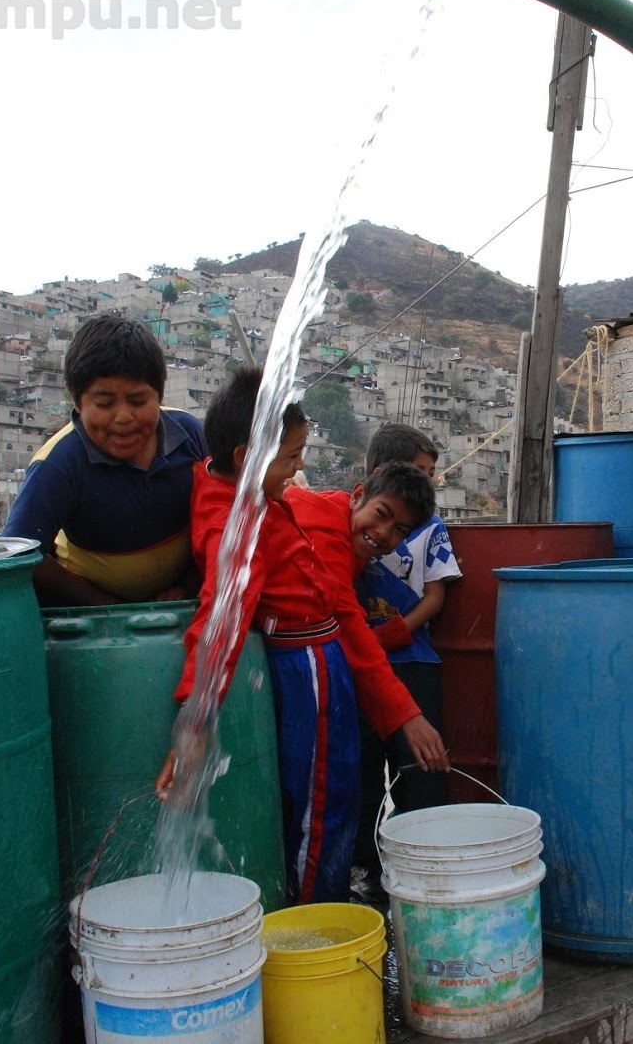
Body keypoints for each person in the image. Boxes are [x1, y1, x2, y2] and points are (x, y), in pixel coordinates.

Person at [154, 365, 447, 903]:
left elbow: (344, 616)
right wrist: (195, 722)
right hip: (306, 665)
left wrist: (402, 713)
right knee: (318, 801)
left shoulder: (250, 498)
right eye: (292, 456)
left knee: (333, 795)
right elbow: (222, 618)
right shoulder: (236, 522)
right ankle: (314, 917)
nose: (301, 466)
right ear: (249, 458)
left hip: (321, 657)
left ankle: (324, 900)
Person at [2, 313, 205, 607]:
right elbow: (19, 554)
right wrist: (104, 605)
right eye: (104, 403)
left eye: (138, 401)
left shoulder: (189, 433)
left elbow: (225, 508)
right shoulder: (58, 463)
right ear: (78, 402)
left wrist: (188, 585)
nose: (123, 418)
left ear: (159, 396)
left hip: (178, 606)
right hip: (88, 618)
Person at [348, 425, 461, 887]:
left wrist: (392, 634)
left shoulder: (430, 528)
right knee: (361, 771)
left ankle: (426, 869)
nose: (426, 486)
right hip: (360, 666)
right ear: (379, 475)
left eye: (431, 477)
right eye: (420, 473)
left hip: (412, 660)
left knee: (419, 768)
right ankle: (366, 872)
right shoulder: (355, 523)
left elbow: (435, 597)